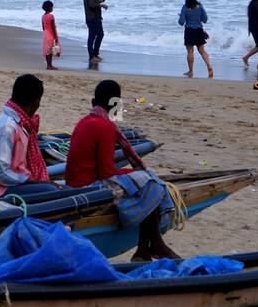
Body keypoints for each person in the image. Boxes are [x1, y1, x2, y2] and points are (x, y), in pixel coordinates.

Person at [66, 79, 179, 261]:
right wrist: (133, 173)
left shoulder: (86, 121)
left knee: (143, 180)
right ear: (115, 103)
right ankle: (151, 246)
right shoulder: (104, 127)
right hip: (88, 186)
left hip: (76, 181)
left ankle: (146, 249)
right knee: (151, 184)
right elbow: (106, 172)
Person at [0, 74, 56, 199]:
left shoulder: (21, 124)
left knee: (57, 188)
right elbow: (1, 174)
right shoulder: (6, 128)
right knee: (51, 190)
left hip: (15, 184)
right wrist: (30, 181)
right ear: (36, 102)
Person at [178, 0, 213, 78]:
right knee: (202, 51)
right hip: (199, 30)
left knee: (190, 51)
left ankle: (191, 71)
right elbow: (205, 19)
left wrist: (181, 16)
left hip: (189, 31)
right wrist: (197, 17)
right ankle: (209, 66)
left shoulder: (185, 7)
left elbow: (181, 22)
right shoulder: (200, 6)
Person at [82, 0, 107, 66]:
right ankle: (91, 57)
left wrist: (100, 1)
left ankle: (95, 54)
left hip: (96, 18)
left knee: (100, 34)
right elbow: (91, 5)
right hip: (92, 18)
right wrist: (101, 5)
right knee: (92, 37)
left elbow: (93, 3)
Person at [41, 0, 60, 70]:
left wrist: (45, 32)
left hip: (45, 34)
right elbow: (53, 27)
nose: (52, 8)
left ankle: (48, 65)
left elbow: (43, 27)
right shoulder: (51, 16)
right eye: (52, 7)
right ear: (49, 8)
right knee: (51, 50)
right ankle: (50, 65)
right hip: (50, 34)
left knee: (47, 50)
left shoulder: (43, 16)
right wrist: (56, 37)